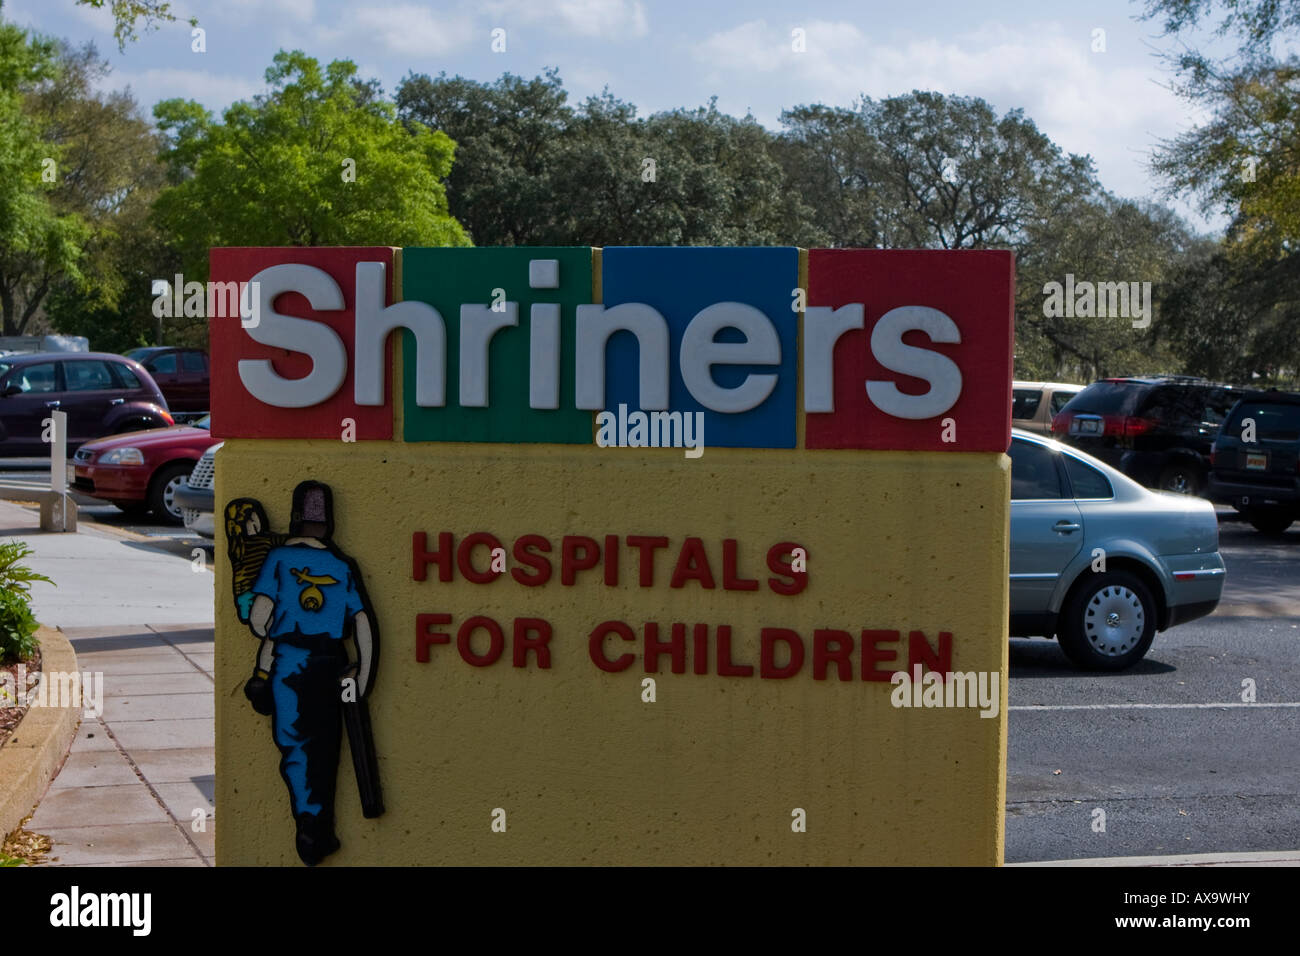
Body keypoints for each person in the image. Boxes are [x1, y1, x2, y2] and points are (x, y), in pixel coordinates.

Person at [246, 481, 377, 865]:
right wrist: (363, 677)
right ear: (329, 523)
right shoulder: (341, 566)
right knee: (326, 748)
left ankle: (309, 820)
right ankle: (319, 828)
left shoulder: (279, 560)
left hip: (289, 663)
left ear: (295, 519)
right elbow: (363, 623)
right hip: (331, 665)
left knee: (295, 745)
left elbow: (258, 620)